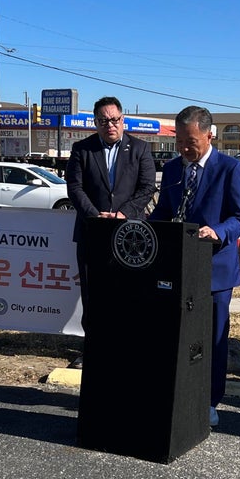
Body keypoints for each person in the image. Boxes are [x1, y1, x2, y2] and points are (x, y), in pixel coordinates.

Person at [150, 106, 240, 428]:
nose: (184, 149)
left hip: (215, 271)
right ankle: (177, 393)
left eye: (190, 142)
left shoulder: (230, 168)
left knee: (213, 341)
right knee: (176, 338)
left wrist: (218, 232)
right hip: (177, 269)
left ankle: (209, 401)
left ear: (209, 135)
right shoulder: (172, 168)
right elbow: (164, 210)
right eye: (179, 141)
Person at [65, 96, 156, 368]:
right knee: (92, 296)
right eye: (104, 121)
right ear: (96, 122)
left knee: (128, 293)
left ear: (123, 119)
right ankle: (92, 349)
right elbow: (74, 187)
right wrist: (96, 216)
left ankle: (126, 348)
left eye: (115, 120)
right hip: (92, 232)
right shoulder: (82, 149)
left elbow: (147, 187)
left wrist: (123, 214)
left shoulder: (140, 148)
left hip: (129, 236)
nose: (110, 125)